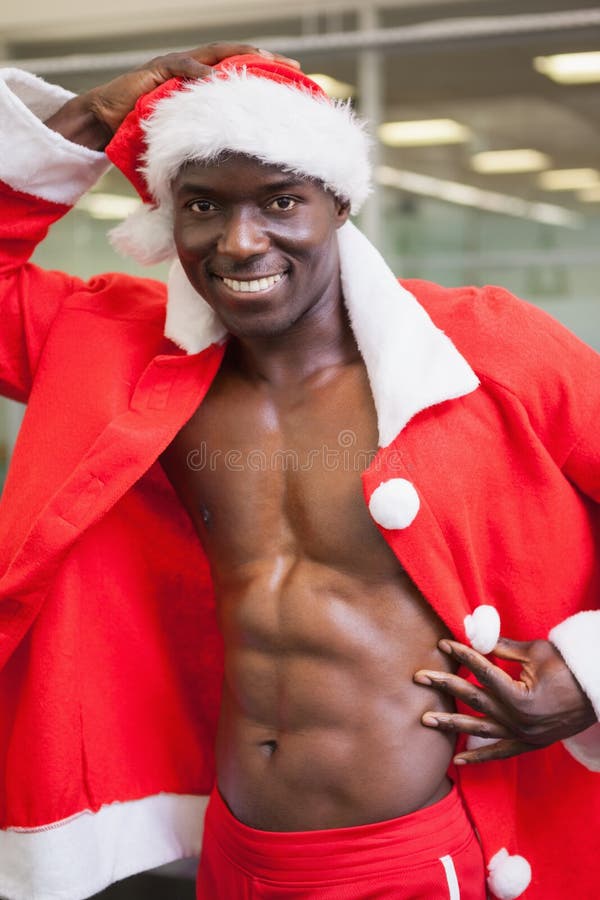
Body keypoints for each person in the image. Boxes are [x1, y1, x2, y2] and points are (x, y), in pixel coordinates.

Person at [0, 42, 598, 900]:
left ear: (338, 205)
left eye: (281, 201)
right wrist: (95, 119)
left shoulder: (485, 346)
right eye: (203, 205)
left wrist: (587, 673)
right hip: (238, 852)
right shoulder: (119, 350)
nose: (241, 243)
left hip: (420, 855)